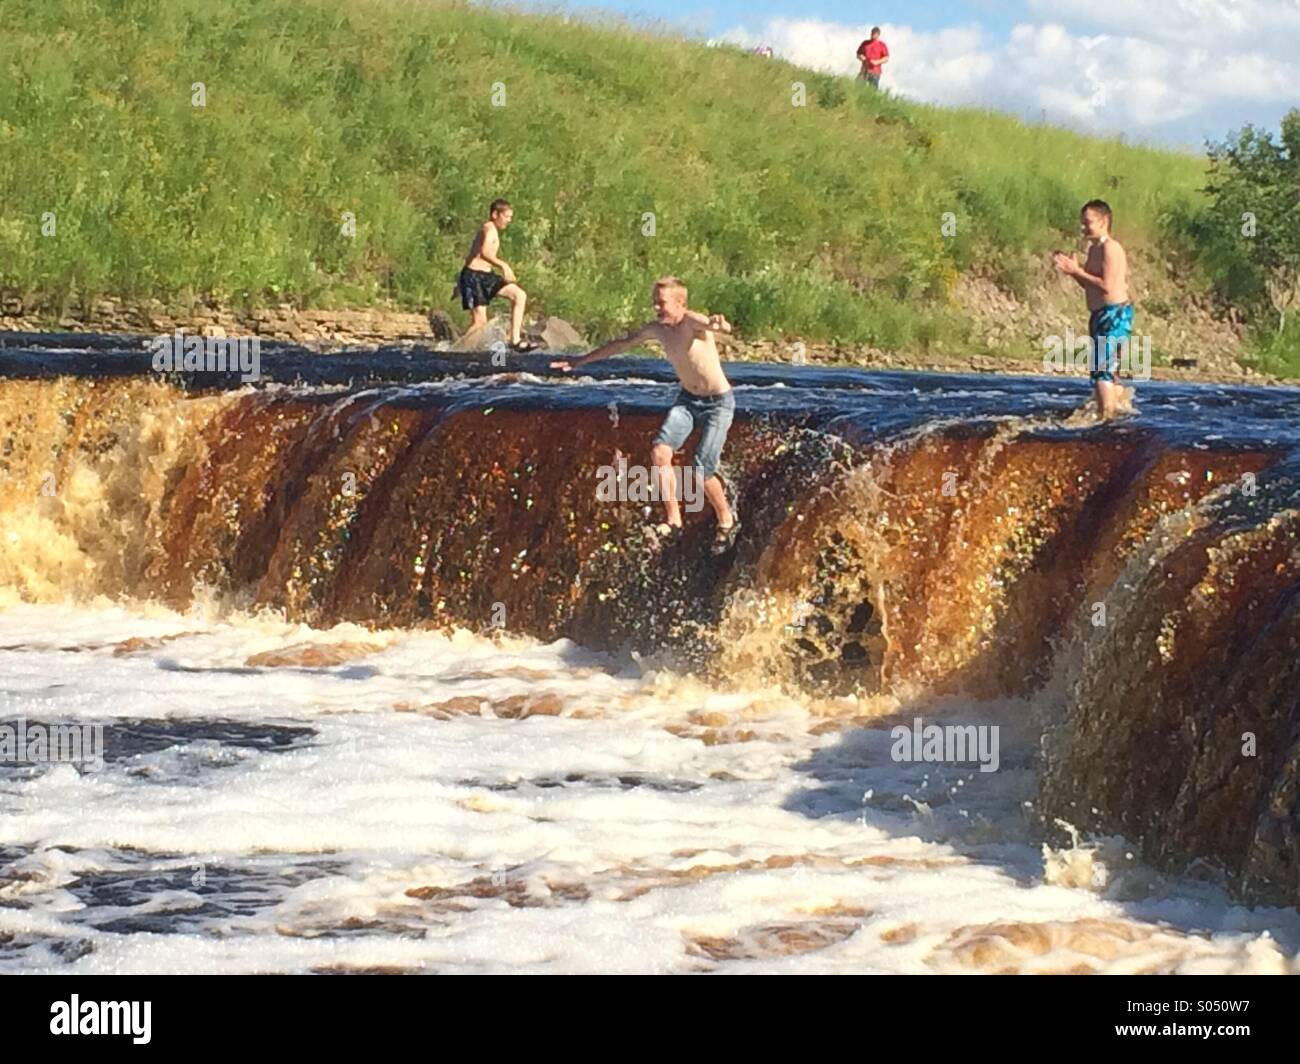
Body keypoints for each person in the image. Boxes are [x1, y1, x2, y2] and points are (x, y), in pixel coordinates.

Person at [550, 277, 741, 555]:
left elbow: (717, 326)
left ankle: (726, 519)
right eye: (654, 300)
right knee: (660, 452)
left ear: (680, 303)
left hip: (718, 404)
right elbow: (621, 344)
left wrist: (719, 324)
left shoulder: (690, 321)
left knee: (701, 469)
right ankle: (673, 520)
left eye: (661, 302)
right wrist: (580, 361)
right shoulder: (658, 329)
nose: (655, 307)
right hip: (687, 400)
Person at [1052, 200, 1133, 420]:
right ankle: (1116, 409)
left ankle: (1106, 419)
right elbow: (1090, 284)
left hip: (1114, 315)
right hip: (1099, 315)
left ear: (1104, 220)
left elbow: (1107, 285)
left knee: (1102, 371)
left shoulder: (1110, 248)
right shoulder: (1094, 249)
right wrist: (1074, 272)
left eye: (1087, 222)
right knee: (1104, 371)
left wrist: (1076, 270)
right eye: (1082, 223)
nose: (1083, 228)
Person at [457, 198, 537, 351]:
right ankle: (459, 350)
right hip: (475, 277)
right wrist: (504, 266)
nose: (508, 220)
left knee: (519, 295)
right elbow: (484, 252)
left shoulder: (491, 230)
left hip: (486, 276)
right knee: (480, 322)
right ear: (495, 214)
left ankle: (514, 340)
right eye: (506, 216)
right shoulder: (489, 228)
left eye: (510, 217)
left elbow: (472, 254)